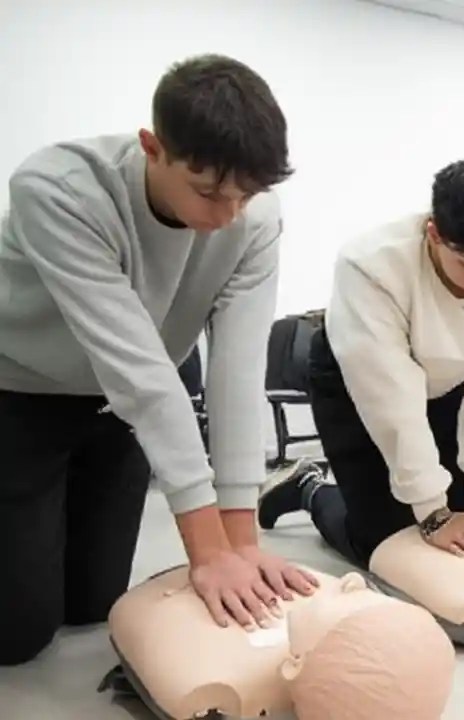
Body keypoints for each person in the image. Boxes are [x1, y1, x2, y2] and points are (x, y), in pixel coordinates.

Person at [0, 54, 315, 665]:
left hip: (118, 410)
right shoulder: (59, 189)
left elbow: (237, 374)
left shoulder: (254, 220)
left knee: (95, 605)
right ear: (153, 147)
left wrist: (240, 542)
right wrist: (208, 551)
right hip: (21, 394)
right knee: (17, 638)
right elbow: (139, 373)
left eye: (244, 196)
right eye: (209, 193)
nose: (227, 216)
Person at [257, 158, 464, 566]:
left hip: (448, 379)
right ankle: (309, 487)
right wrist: (431, 511)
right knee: (387, 541)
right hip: (358, 381)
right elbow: (393, 402)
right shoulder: (370, 265)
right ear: (434, 234)